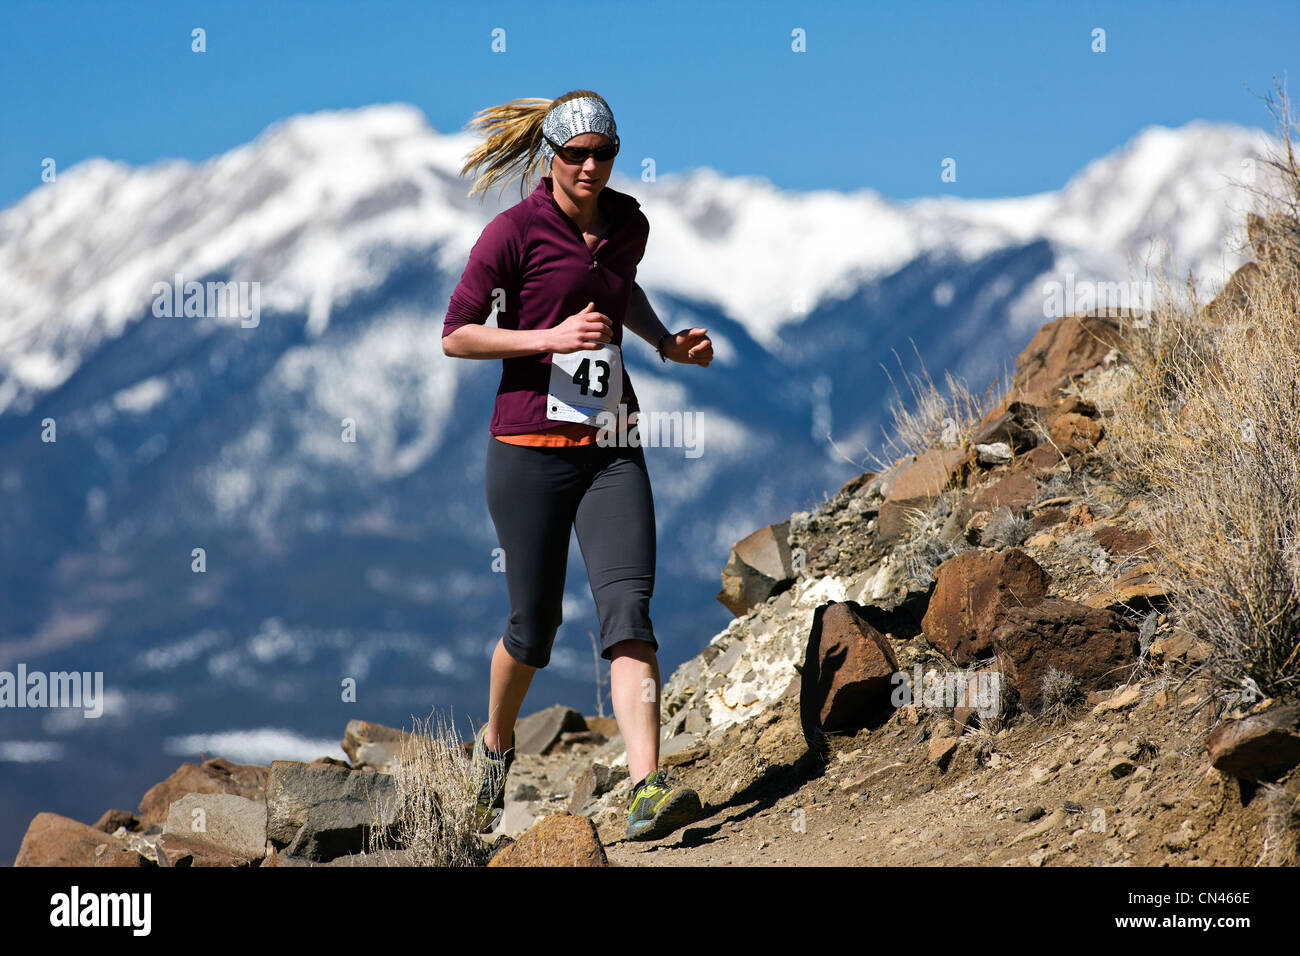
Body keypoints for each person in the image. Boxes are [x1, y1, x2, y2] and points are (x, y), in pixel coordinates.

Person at [441, 90, 714, 842]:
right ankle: (495, 745)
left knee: (629, 614)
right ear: (551, 158)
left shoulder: (629, 224)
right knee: (533, 629)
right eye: (576, 155)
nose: (591, 166)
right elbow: (457, 335)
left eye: (604, 153)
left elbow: (620, 293)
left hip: (612, 446)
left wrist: (664, 344)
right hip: (528, 452)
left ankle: (646, 787)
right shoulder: (512, 233)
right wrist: (547, 338)